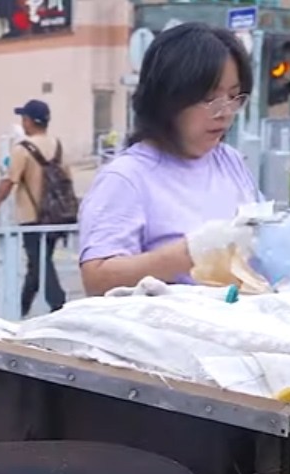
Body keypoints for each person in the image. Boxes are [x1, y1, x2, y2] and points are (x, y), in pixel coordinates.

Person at [77, 23, 261, 296]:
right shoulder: (127, 177)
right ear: (167, 98)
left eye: (234, 96)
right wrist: (188, 253)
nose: (225, 112)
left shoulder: (229, 160)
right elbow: (97, 279)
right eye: (209, 98)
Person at [0, 100, 68, 315]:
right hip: (57, 216)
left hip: (32, 217)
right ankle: (21, 310)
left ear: (29, 121)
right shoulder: (58, 145)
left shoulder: (22, 149)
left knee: (40, 263)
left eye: (24, 118)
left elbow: (8, 181)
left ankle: (58, 303)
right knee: (38, 263)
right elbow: (67, 179)